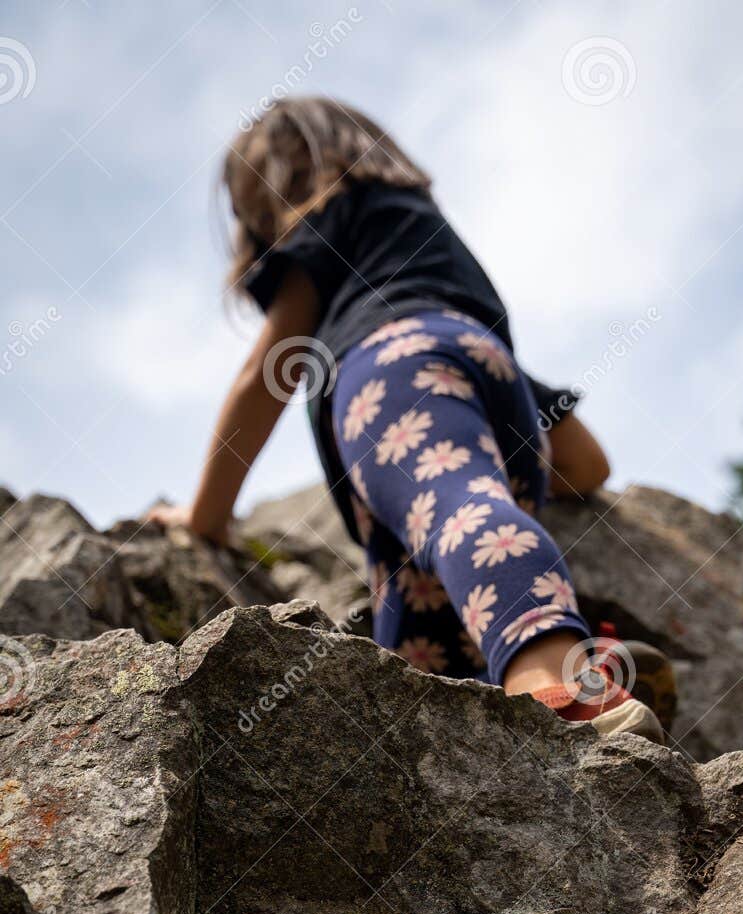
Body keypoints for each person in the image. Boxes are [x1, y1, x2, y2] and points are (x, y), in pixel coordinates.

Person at [148, 97, 674, 741]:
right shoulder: (424, 234)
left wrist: (205, 516)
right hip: (487, 374)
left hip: (387, 376)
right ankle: (562, 673)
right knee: (421, 617)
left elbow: (267, 374)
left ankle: (551, 678)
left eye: (250, 211)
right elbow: (587, 462)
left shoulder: (326, 221)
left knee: (457, 508)